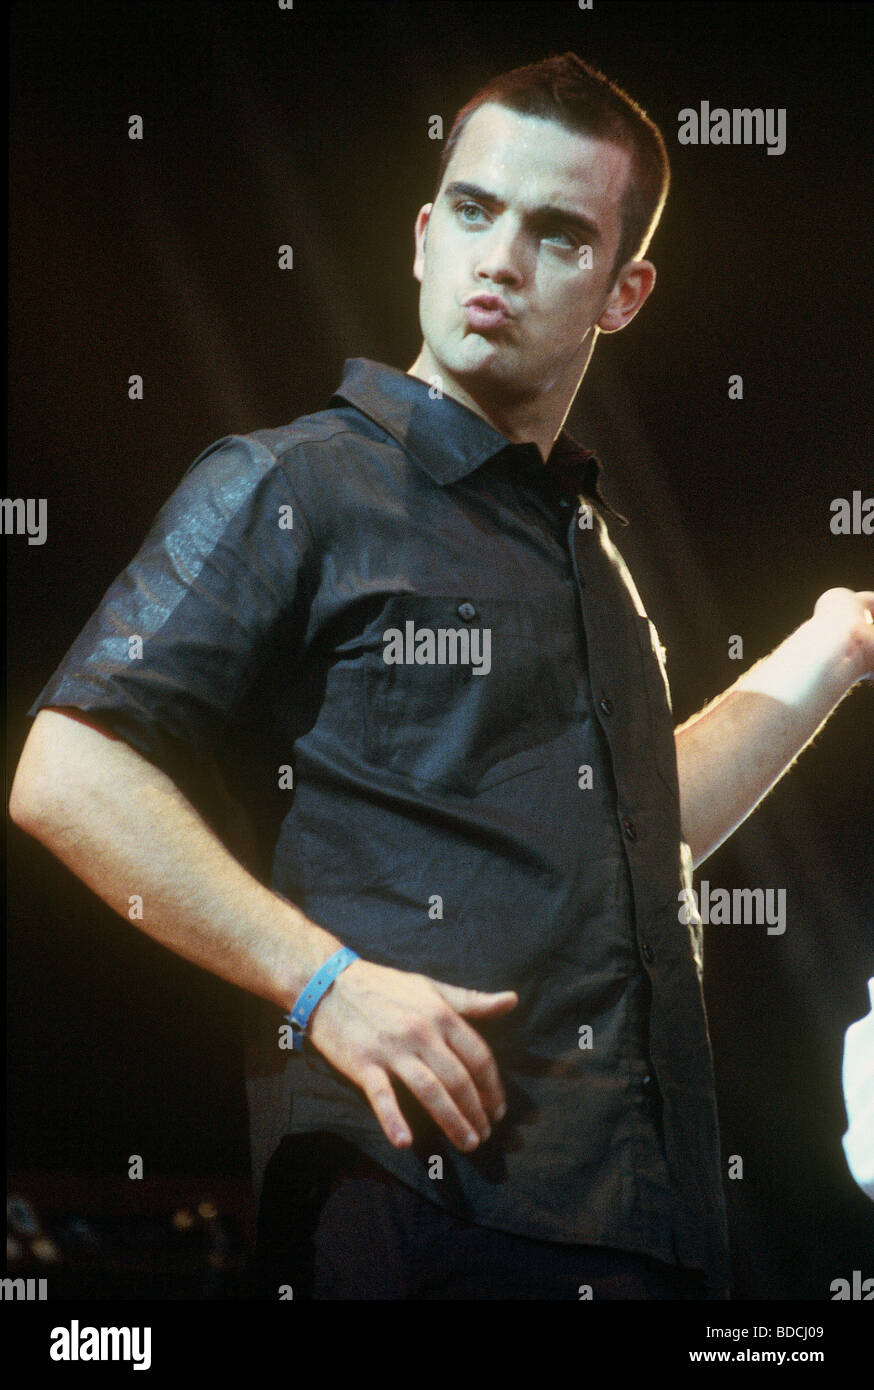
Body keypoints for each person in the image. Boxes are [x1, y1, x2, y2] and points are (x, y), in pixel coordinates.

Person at [9, 52, 874, 1301]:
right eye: (475, 211)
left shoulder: (587, 548)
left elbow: (631, 830)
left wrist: (838, 647)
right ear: (424, 233)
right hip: (420, 1205)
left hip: (645, 1218)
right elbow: (65, 768)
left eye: (557, 234)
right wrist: (328, 985)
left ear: (623, 292)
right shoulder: (296, 482)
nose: (501, 260)